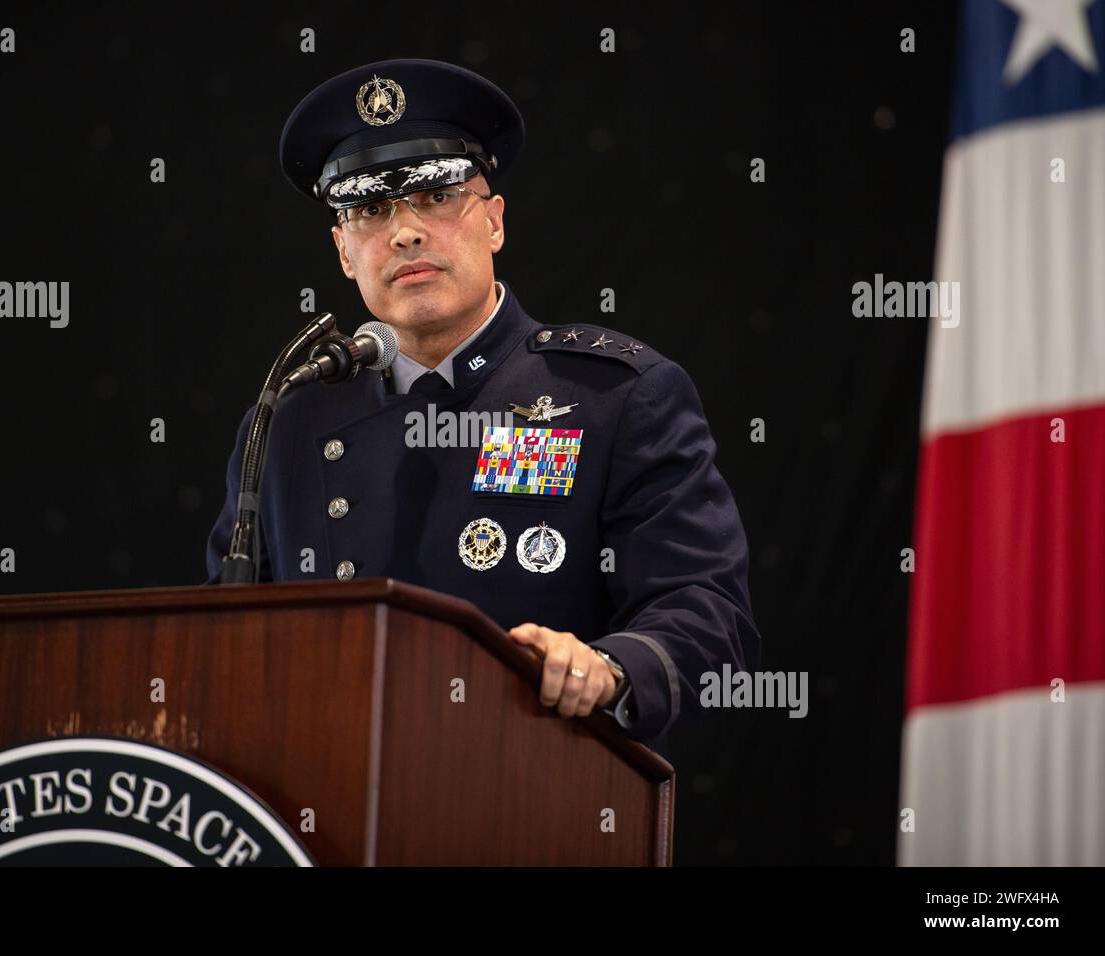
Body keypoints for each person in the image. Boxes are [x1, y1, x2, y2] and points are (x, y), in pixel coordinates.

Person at [206, 58, 760, 761]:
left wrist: (610, 667)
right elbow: (221, 642)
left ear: (494, 221)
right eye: (372, 209)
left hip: (534, 795)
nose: (405, 232)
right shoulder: (288, 419)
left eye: (436, 197)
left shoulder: (615, 395)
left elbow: (710, 616)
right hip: (326, 802)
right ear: (344, 252)